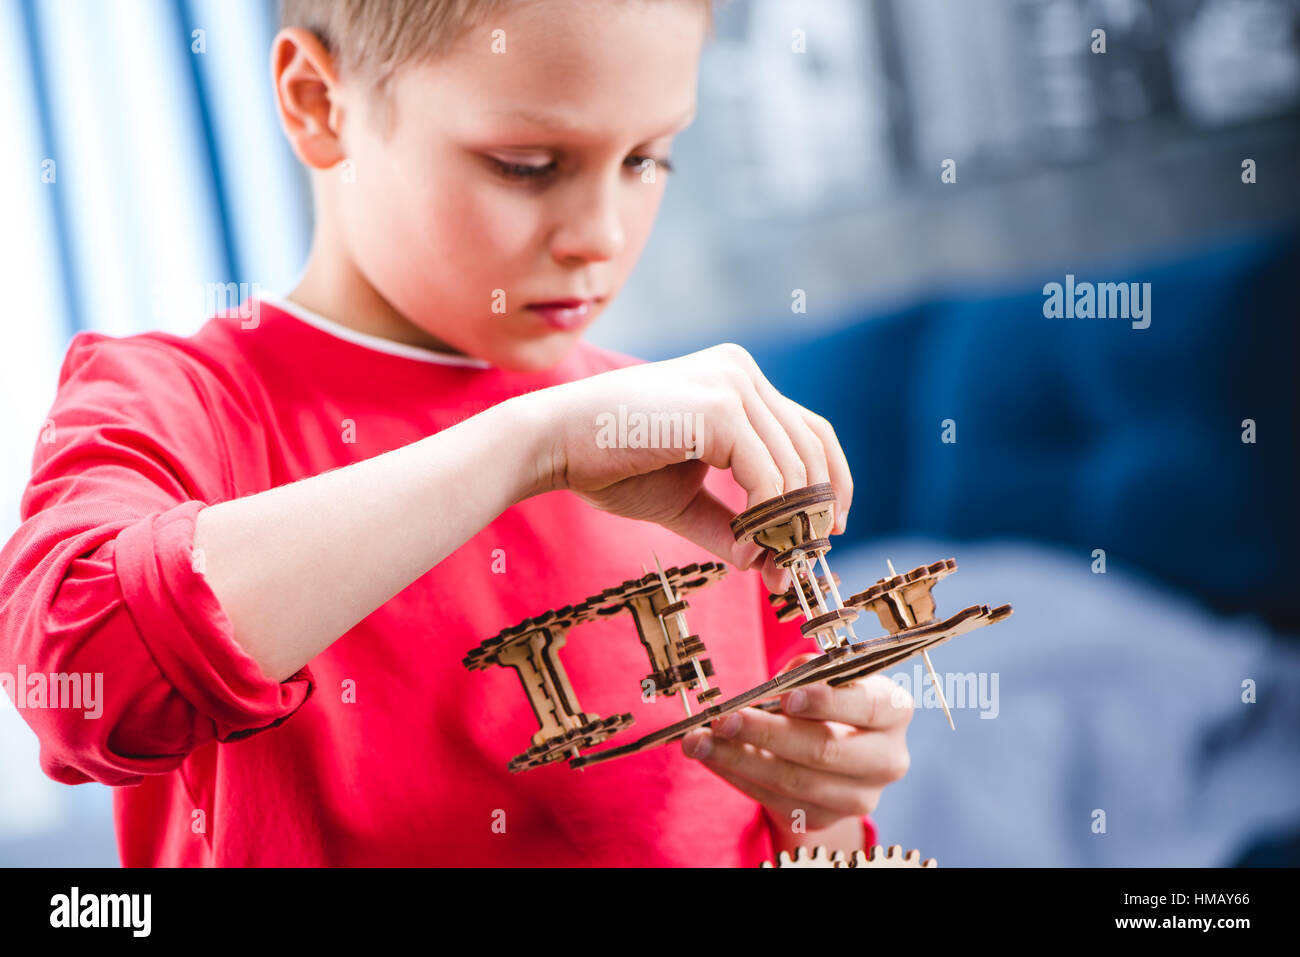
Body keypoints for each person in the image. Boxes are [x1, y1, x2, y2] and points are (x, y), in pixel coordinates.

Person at [0, 0, 912, 866]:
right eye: (526, 163)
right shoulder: (180, 398)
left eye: (648, 157)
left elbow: (767, 829)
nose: (599, 235)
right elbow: (84, 673)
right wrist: (526, 444)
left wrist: (821, 806)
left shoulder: (692, 440)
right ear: (321, 106)